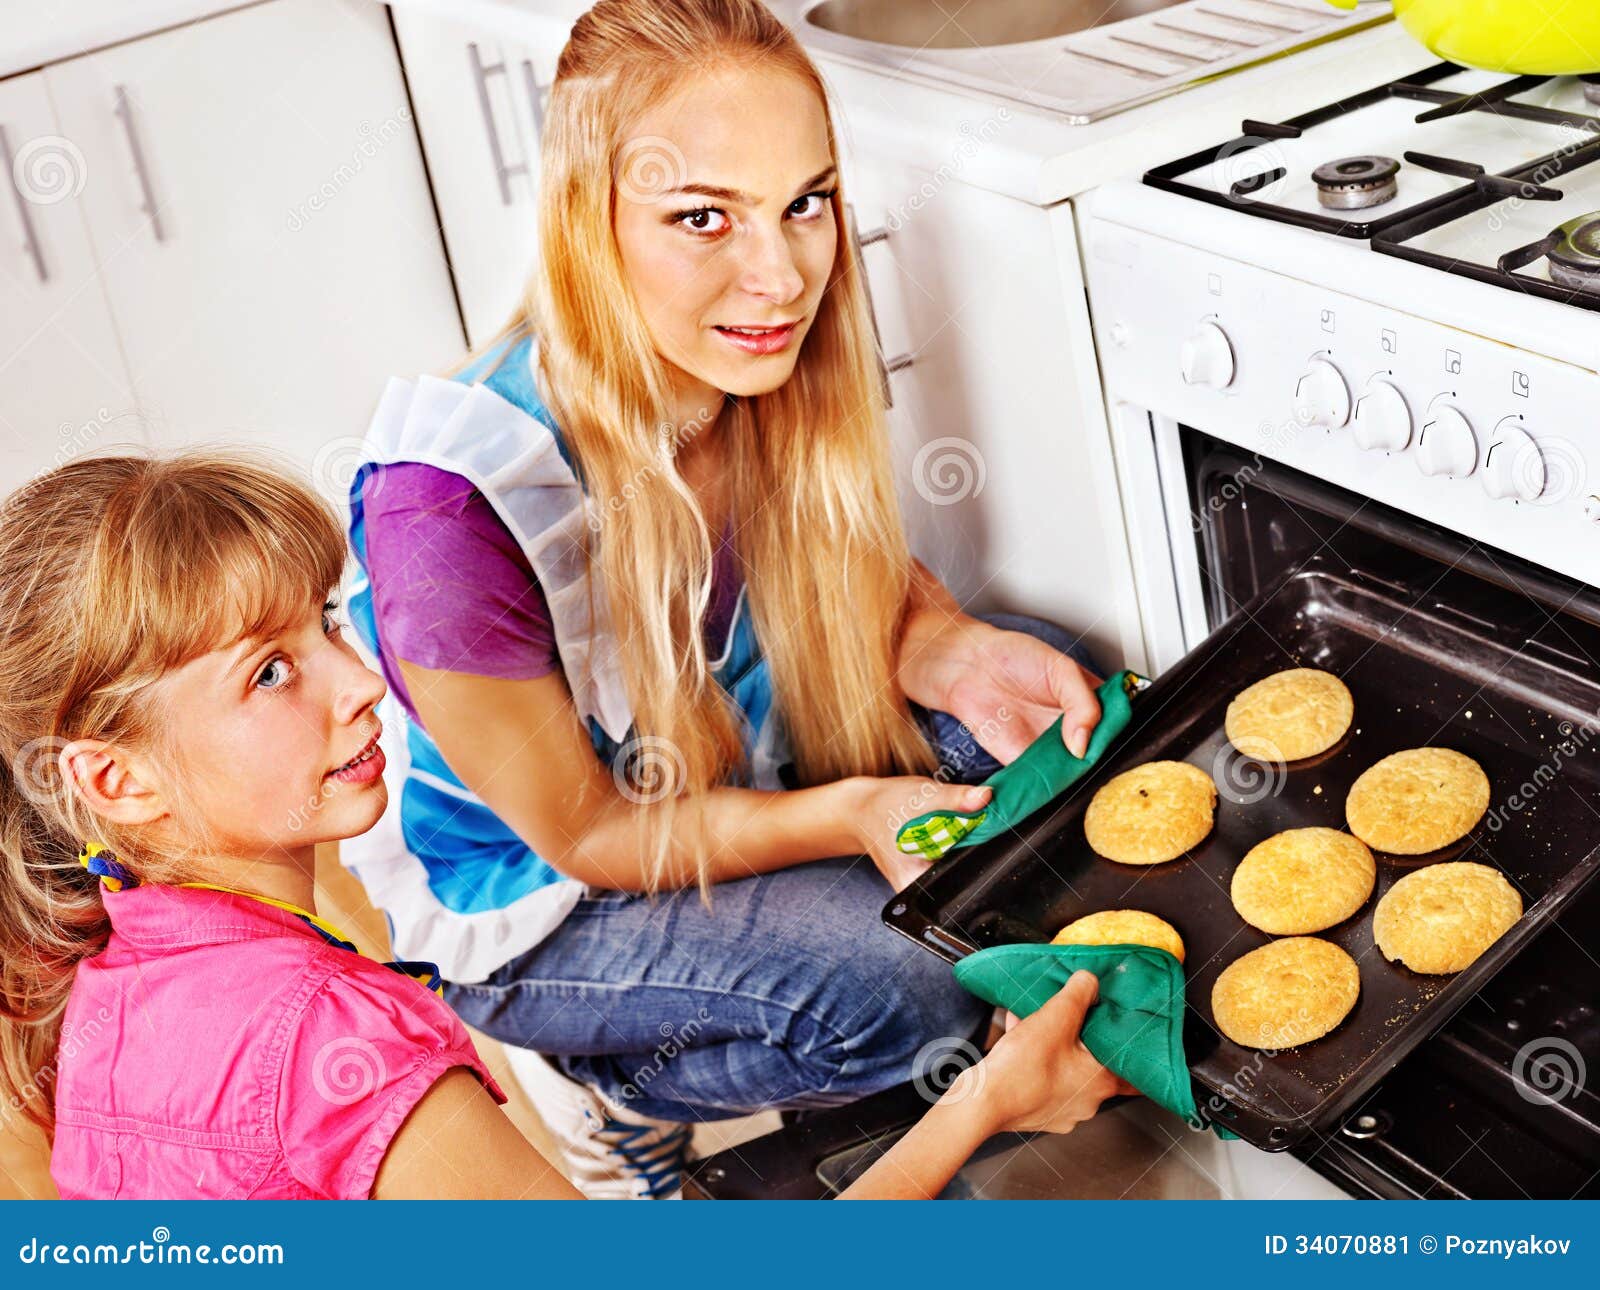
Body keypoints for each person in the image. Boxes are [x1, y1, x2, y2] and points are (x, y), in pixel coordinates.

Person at [343, 0, 1110, 1197]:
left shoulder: (744, 365)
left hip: (725, 769)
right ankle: (627, 1084)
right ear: (587, 224)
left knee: (1056, 732)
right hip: (552, 895)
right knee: (909, 987)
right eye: (702, 217)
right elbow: (590, 833)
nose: (782, 273)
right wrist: (856, 813)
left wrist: (942, 642)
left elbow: (828, 571)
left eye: (804, 203)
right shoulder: (444, 513)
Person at [0, 451, 1131, 1200]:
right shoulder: (335, 1049)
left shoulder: (100, 995)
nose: (358, 686)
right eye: (271, 674)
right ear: (115, 781)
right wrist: (986, 1101)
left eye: (329, 627)